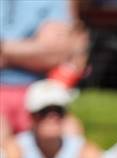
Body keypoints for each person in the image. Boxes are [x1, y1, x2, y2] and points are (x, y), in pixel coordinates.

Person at [0, 0, 77, 142]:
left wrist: (3, 49)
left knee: (70, 134)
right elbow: (45, 51)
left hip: (37, 89)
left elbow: (54, 53)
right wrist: (32, 50)